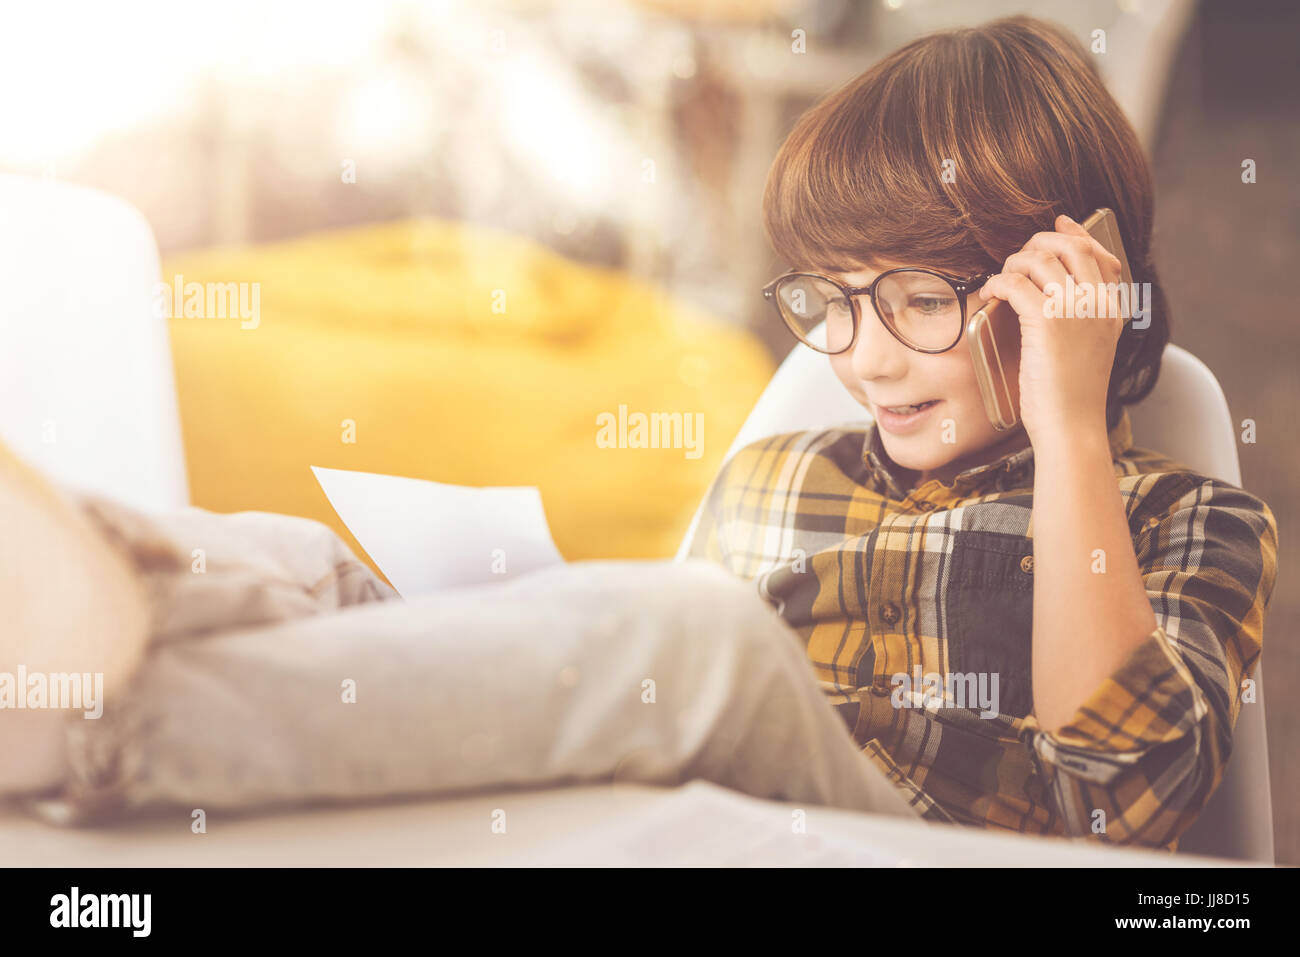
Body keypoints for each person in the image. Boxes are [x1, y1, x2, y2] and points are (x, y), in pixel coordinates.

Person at [0, 15, 1277, 853]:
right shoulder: (788, 471)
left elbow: (1122, 796)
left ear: (1070, 293)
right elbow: (636, 693)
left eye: (922, 301)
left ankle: (102, 731)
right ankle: (73, 623)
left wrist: (1063, 420)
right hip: (710, 819)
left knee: (699, 635)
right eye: (828, 302)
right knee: (316, 563)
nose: (860, 355)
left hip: (915, 844)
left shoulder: (1185, 519)